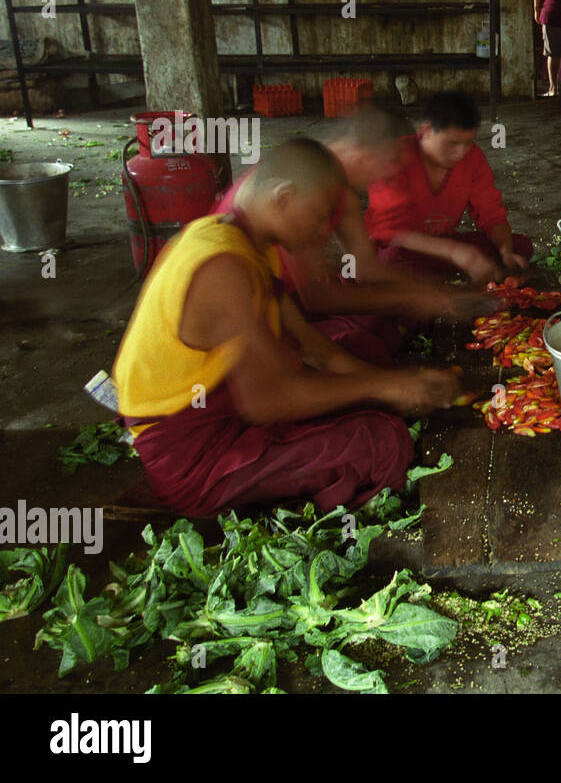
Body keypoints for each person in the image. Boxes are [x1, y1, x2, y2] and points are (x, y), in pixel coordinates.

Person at [113, 139, 463, 517]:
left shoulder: (248, 243)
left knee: (363, 351)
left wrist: (391, 386)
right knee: (380, 444)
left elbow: (316, 349)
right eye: (318, 217)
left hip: (232, 409)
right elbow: (267, 402)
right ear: (283, 197)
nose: (321, 235)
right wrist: (385, 386)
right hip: (196, 462)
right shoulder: (223, 266)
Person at [212, 103, 490, 365]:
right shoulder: (299, 191)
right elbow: (315, 297)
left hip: (289, 298)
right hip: (257, 310)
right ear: (361, 152)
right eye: (392, 162)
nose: (393, 174)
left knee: (393, 318)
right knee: (363, 344)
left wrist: (433, 292)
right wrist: (414, 298)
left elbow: (367, 268)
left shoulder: (341, 191)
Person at [365, 90, 534, 283]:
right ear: (426, 131)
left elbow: (491, 214)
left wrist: (506, 253)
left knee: (520, 245)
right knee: (392, 258)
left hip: (443, 244)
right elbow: (388, 231)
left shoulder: (473, 158)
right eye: (452, 144)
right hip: (400, 250)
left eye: (468, 143)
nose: (461, 152)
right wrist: (455, 253)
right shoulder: (395, 157)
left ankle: (437, 282)